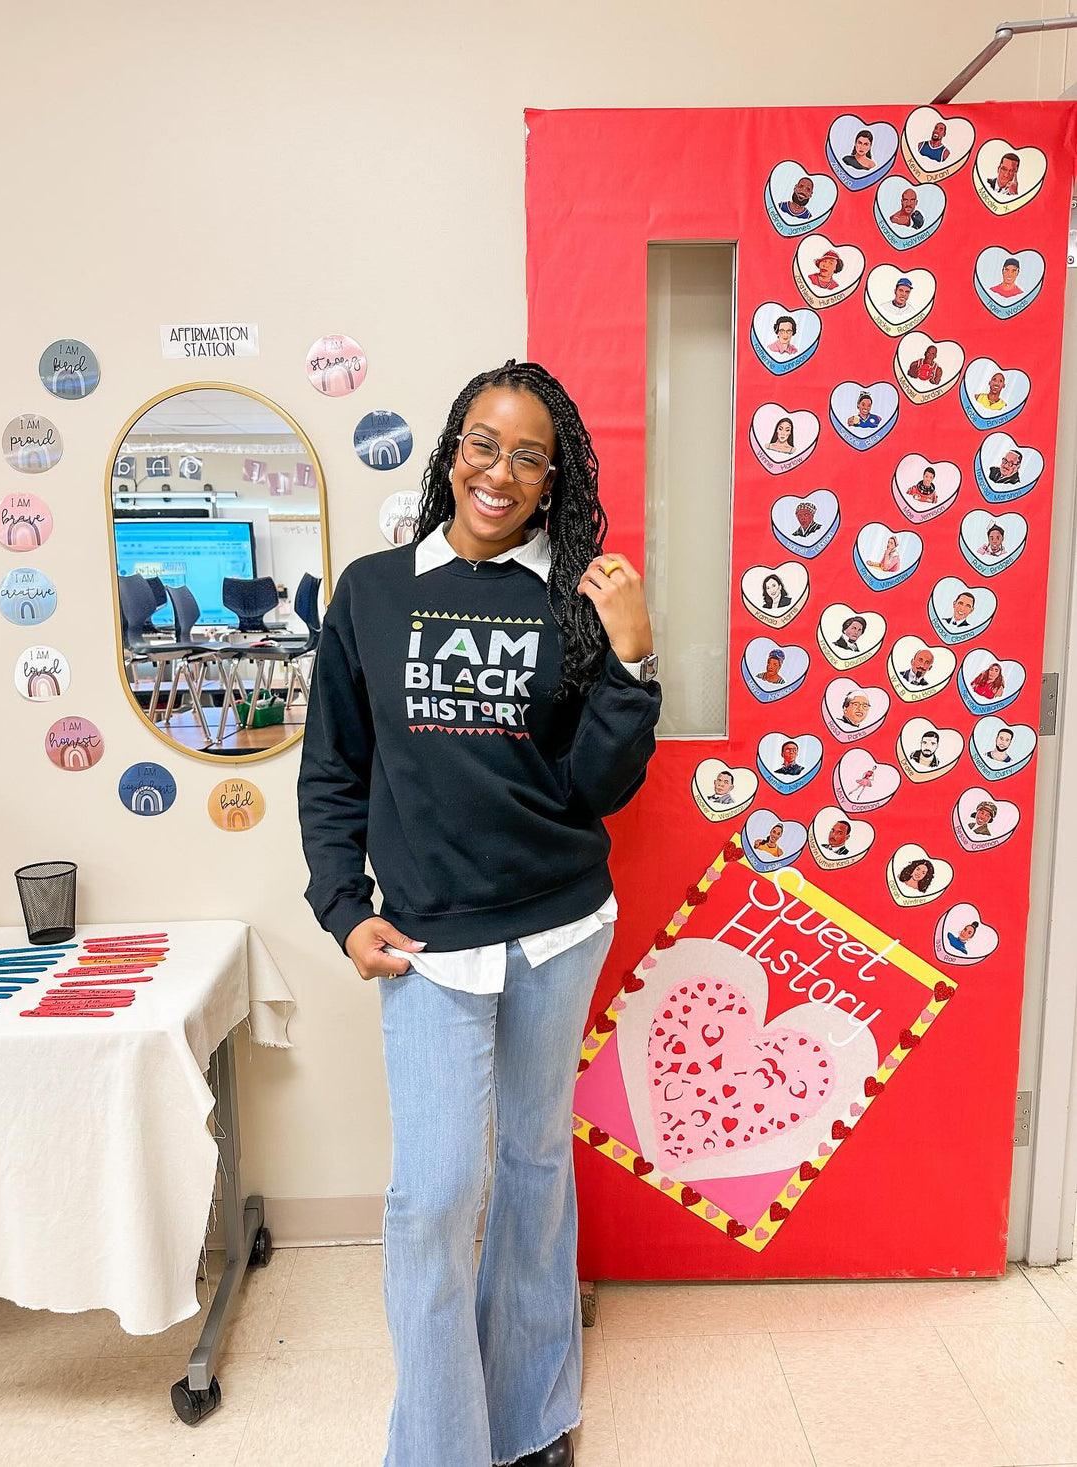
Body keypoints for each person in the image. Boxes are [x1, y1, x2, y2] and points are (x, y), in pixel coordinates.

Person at [298, 359, 662, 1467]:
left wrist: (633, 655)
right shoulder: (370, 591)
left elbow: (598, 784)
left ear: (553, 481)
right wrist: (339, 906)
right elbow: (333, 771)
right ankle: (444, 1447)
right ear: (451, 451)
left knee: (537, 1167)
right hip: (427, 944)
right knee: (432, 1199)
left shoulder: (575, 599)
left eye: (527, 457)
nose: (499, 472)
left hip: (558, 924)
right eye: (481, 444)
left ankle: (534, 1417)